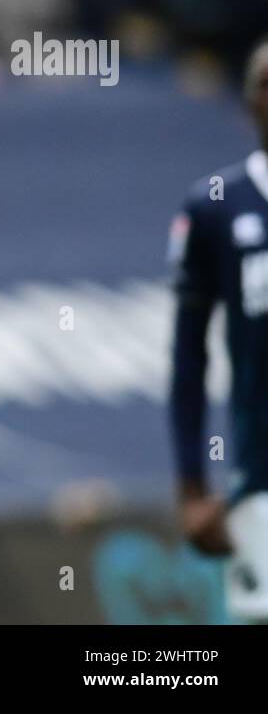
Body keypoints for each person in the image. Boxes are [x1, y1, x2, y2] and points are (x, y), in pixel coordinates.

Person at [168, 38, 268, 623]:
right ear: (251, 101)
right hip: (260, 478)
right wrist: (190, 486)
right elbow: (188, 354)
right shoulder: (217, 208)